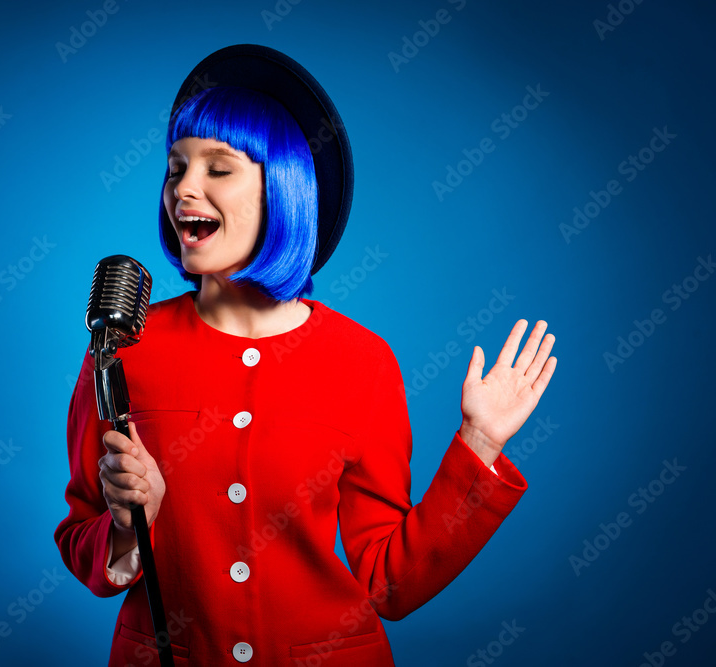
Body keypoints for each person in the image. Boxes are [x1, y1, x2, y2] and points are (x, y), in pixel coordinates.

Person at [56, 44, 557, 666]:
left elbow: (390, 583)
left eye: (218, 168)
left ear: (282, 188)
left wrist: (479, 445)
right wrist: (128, 528)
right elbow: (81, 533)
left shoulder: (364, 361)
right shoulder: (123, 350)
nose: (184, 188)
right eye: (176, 167)